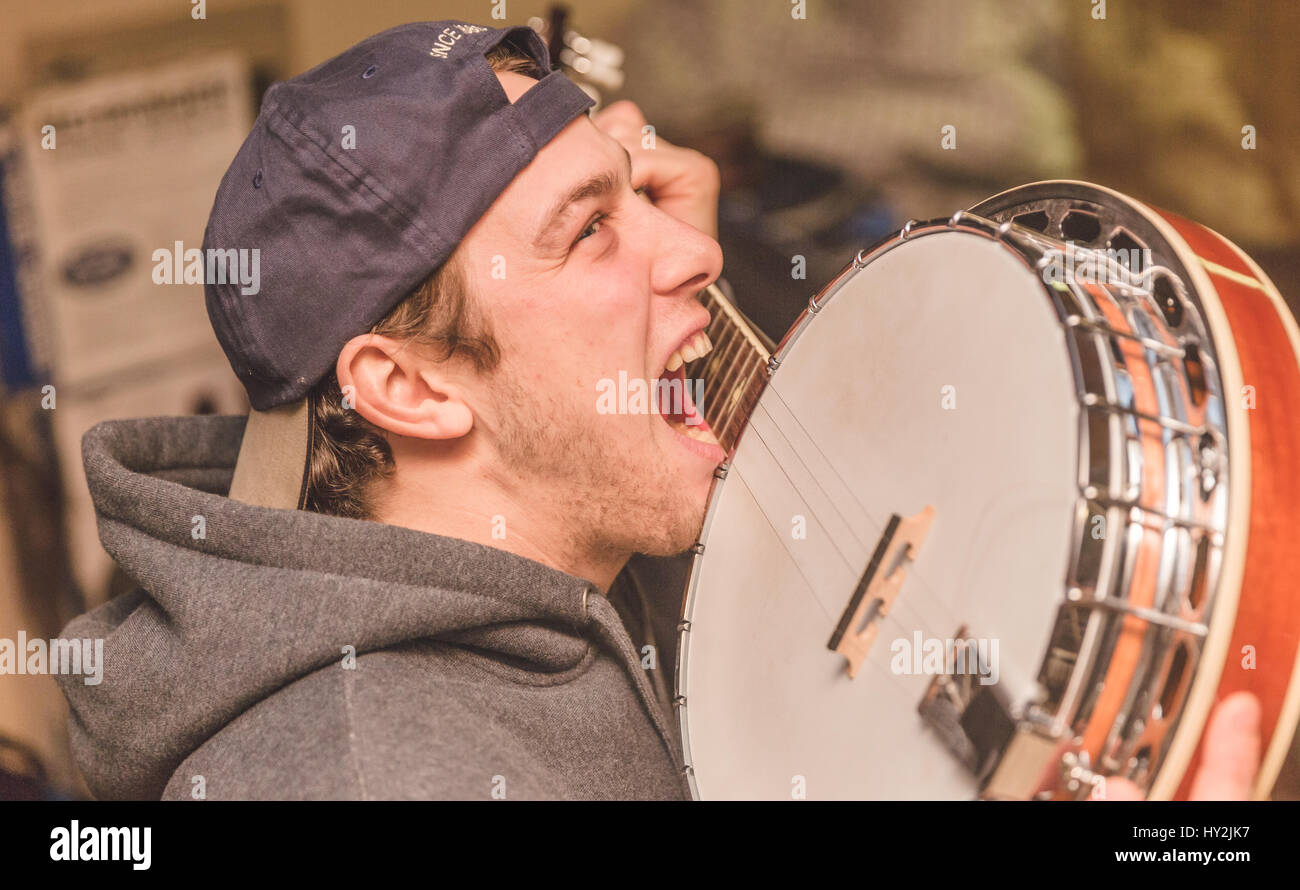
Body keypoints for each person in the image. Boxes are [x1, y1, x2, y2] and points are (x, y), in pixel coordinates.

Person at [55, 20, 1260, 801]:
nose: (697, 244)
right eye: (590, 228)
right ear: (408, 386)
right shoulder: (373, 771)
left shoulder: (575, 517)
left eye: (648, 197)